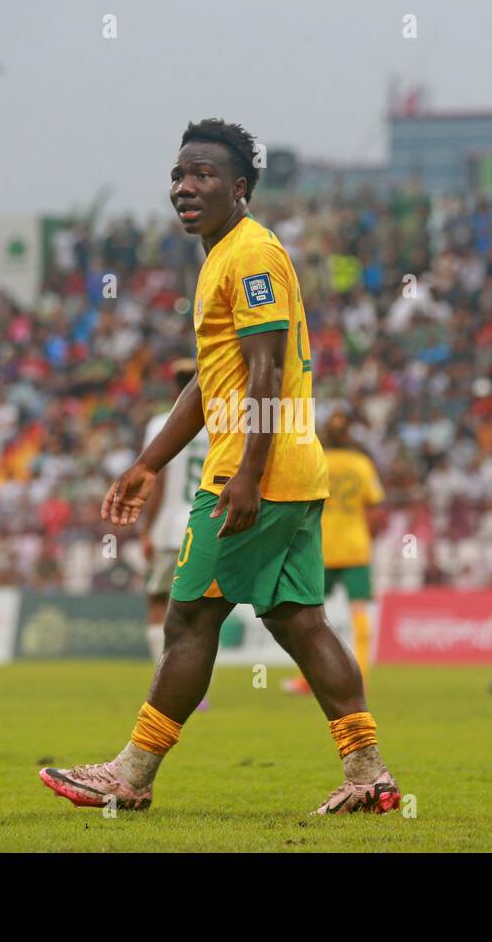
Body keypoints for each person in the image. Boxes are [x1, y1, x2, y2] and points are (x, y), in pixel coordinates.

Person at [39, 118, 400, 815]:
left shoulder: (252, 255)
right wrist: (149, 464)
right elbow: (212, 382)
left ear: (239, 189)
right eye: (178, 175)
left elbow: (264, 372)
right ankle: (369, 773)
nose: (185, 186)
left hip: (255, 468)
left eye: (203, 174)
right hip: (290, 467)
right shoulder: (225, 257)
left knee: (189, 623)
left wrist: (247, 475)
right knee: (299, 620)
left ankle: (131, 775)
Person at [285, 409, 384, 694]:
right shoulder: (362, 464)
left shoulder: (316, 459)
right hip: (355, 547)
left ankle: (306, 680)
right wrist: (368, 537)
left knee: (308, 616)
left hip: (320, 547)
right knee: (360, 612)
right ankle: (360, 677)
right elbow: (375, 508)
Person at [139, 358, 211, 711]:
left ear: (174, 387)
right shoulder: (220, 420)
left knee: (158, 601)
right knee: (198, 611)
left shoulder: (160, 425)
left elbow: (157, 478)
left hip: (170, 526)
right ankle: (197, 692)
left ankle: (165, 685)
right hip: (207, 522)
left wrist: (147, 529)